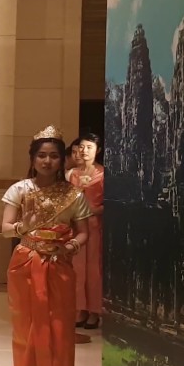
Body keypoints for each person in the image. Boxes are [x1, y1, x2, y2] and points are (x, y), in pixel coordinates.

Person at [1, 126, 91, 366]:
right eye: (42, 155)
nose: (48, 161)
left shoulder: (73, 194)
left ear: (63, 160)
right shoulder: (20, 190)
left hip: (59, 267)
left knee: (55, 329)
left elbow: (83, 232)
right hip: (26, 264)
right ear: (33, 158)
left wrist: (69, 246)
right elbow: (5, 230)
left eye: (54, 156)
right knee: (29, 329)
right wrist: (23, 227)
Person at [67, 134, 104, 330]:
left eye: (89, 147)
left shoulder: (104, 174)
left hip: (95, 225)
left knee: (94, 268)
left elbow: (110, 203)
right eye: (81, 147)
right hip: (76, 225)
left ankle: (95, 310)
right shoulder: (71, 174)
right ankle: (79, 308)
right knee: (77, 268)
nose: (84, 151)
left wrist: (92, 211)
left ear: (97, 150)